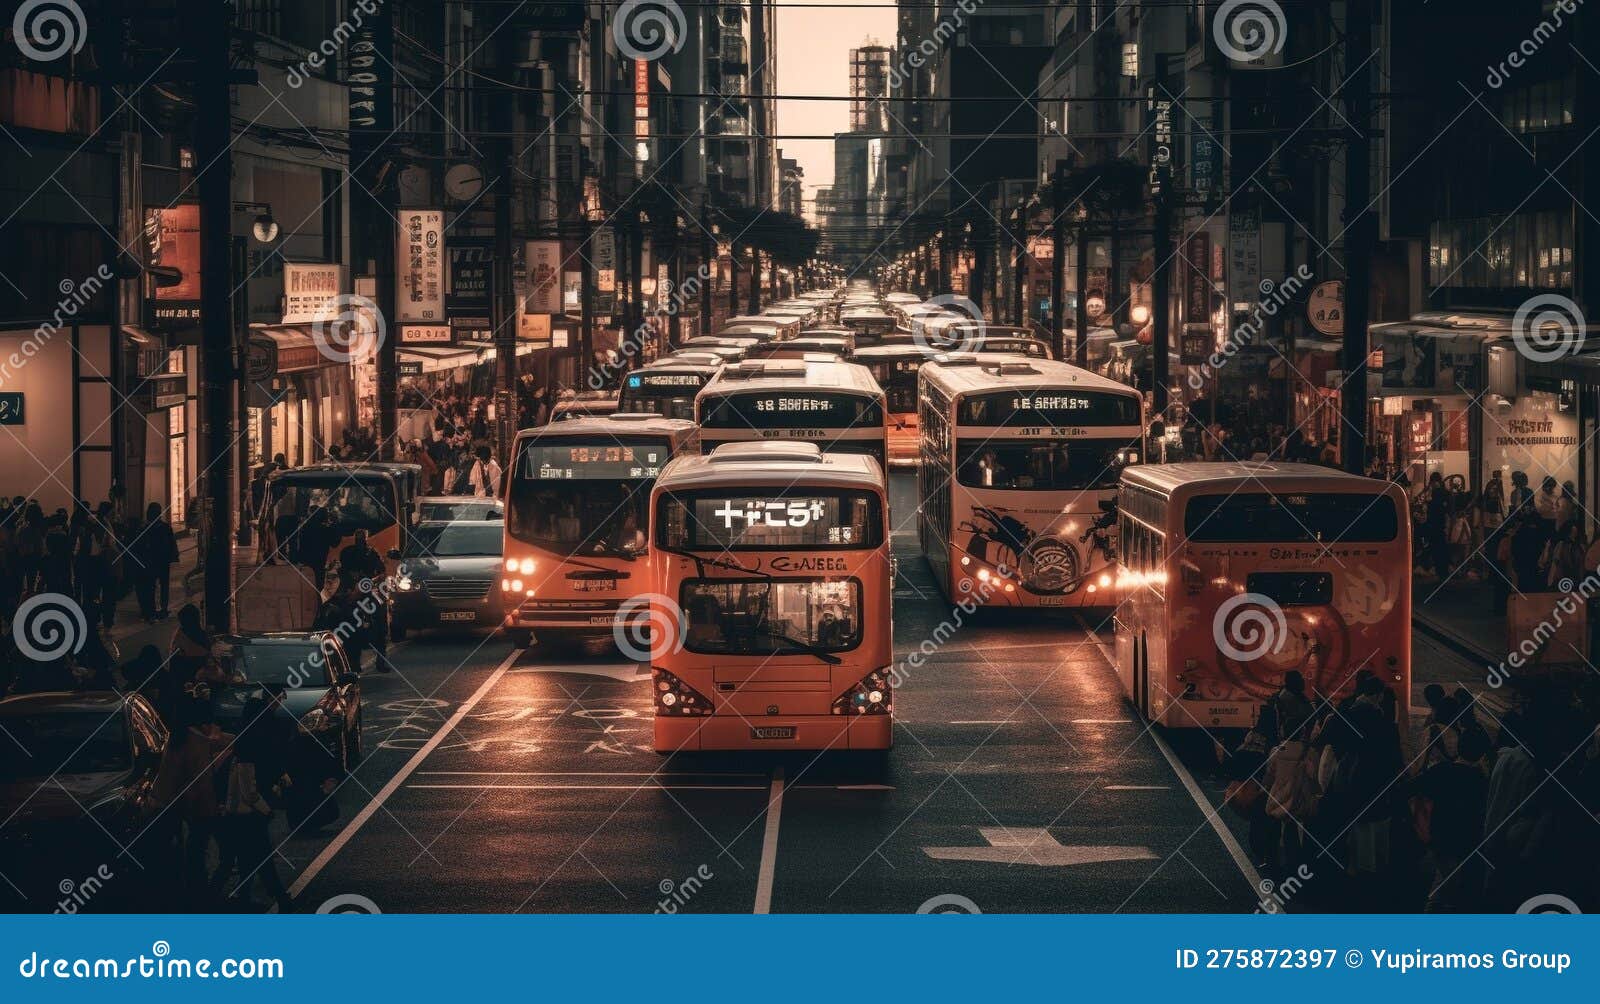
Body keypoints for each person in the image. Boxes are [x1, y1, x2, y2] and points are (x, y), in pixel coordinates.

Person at [213, 690, 294, 912]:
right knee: (259, 855)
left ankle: (237, 896)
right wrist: (266, 809)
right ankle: (278, 896)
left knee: (244, 857)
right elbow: (249, 791)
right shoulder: (249, 750)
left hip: (235, 815)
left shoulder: (242, 743)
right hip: (247, 814)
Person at [150, 701, 234, 904]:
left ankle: (191, 890)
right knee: (216, 849)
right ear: (205, 724)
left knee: (189, 849)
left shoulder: (177, 739)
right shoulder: (199, 744)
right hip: (199, 806)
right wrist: (213, 809)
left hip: (169, 803)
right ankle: (205, 893)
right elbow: (202, 783)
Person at [135, 502, 180, 622]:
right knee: (162, 585)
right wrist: (173, 557)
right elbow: (171, 544)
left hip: (152, 561)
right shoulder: (164, 527)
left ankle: (153, 609)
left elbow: (141, 546)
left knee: (151, 585)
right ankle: (162, 608)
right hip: (161, 561)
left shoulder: (145, 528)